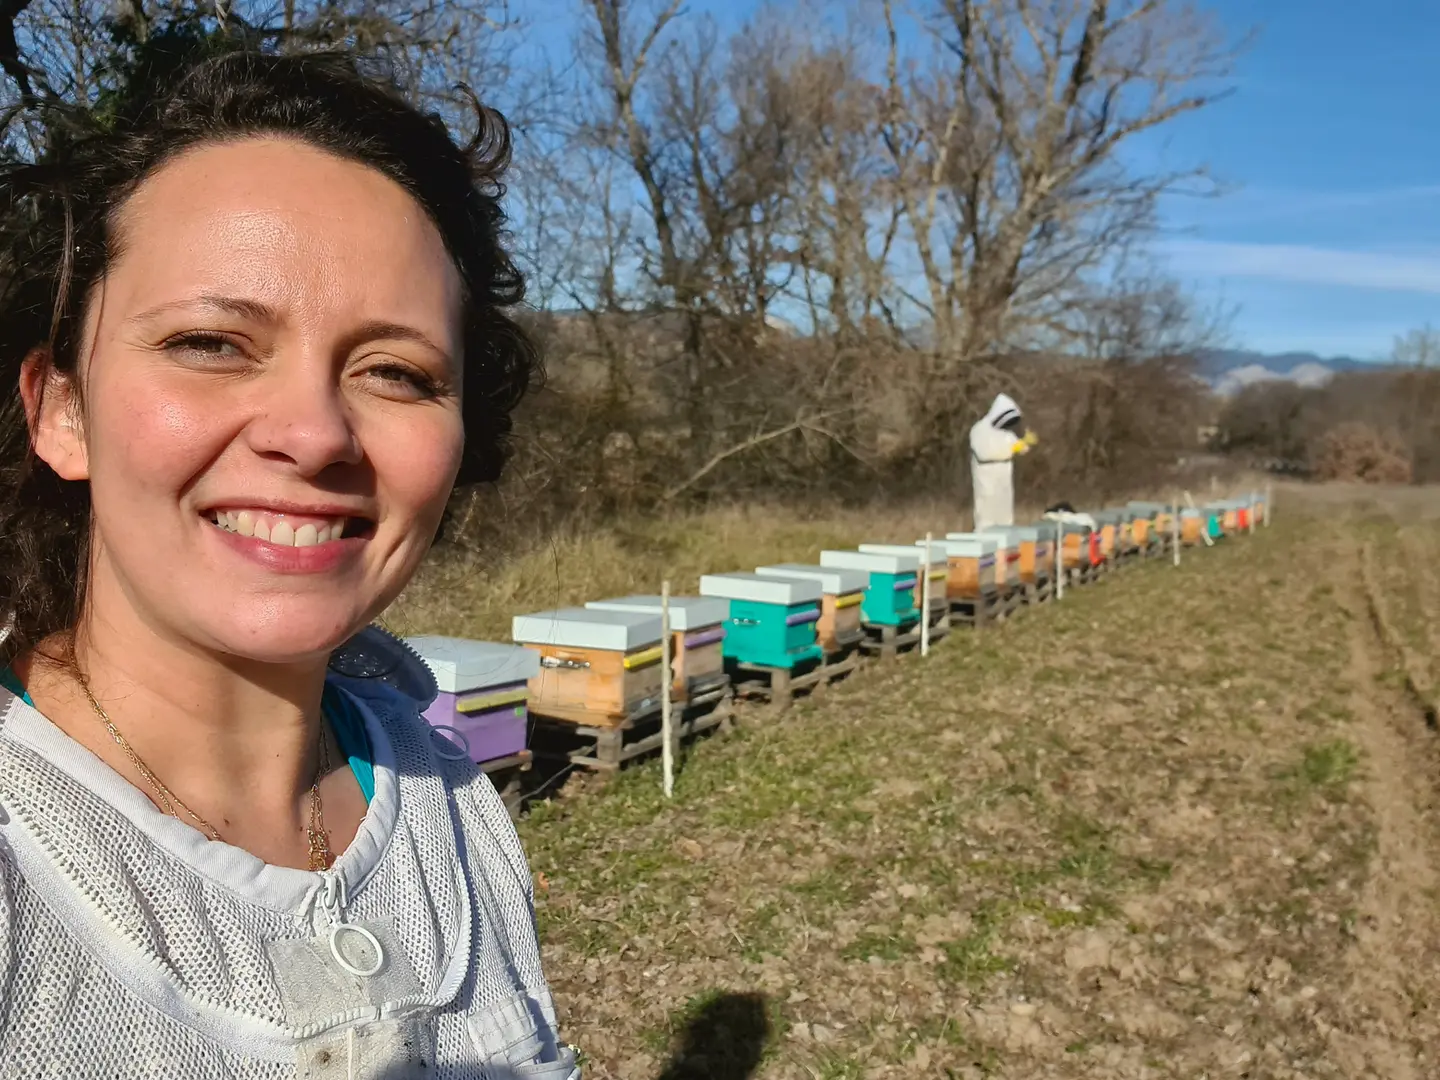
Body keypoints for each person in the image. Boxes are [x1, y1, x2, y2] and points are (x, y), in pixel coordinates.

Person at [0, 49, 578, 1078]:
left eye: (395, 371)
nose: (314, 434)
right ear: (63, 411)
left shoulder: (450, 799)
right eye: (212, 344)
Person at [969, 393, 1037, 531]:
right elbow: (984, 452)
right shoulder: (979, 429)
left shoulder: (1006, 434)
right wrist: (1011, 448)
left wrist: (1025, 442)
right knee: (987, 519)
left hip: (1004, 481)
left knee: (1005, 519)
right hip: (987, 481)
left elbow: (1018, 446)